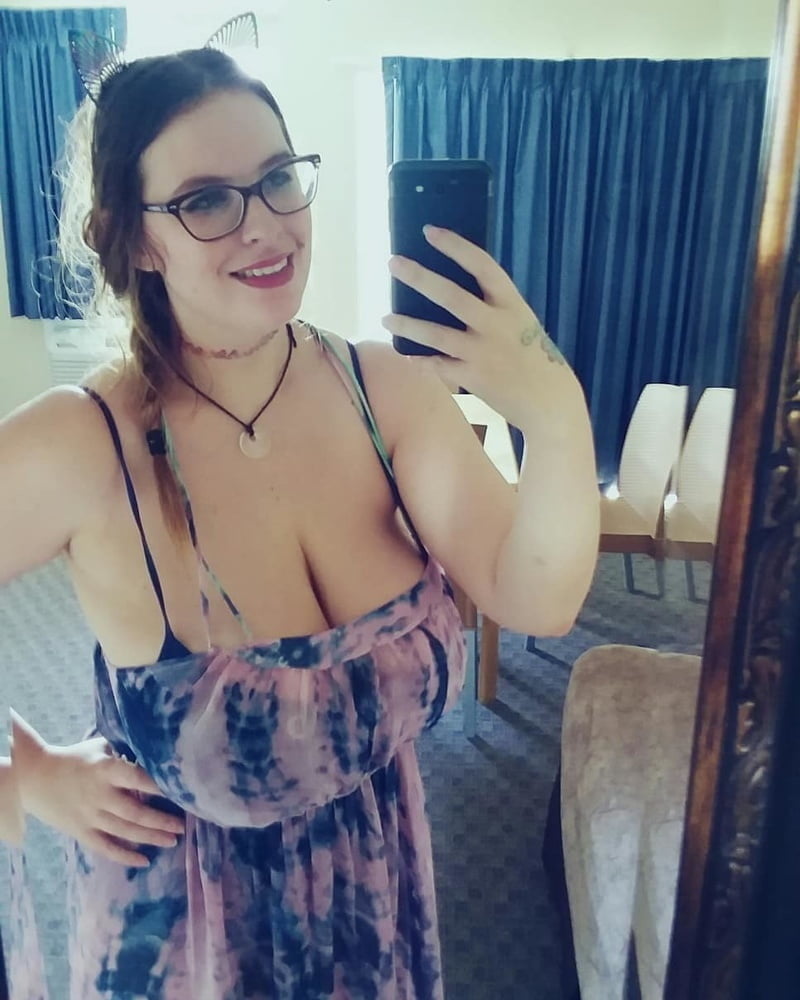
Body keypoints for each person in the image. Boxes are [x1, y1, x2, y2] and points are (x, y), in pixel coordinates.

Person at [0, 40, 599, 1000]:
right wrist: (20, 781)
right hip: (195, 951)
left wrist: (558, 413)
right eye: (207, 200)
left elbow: (537, 598)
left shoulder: (382, 389)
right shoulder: (87, 443)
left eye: (279, 178)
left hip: (377, 913)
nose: (266, 226)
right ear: (135, 238)